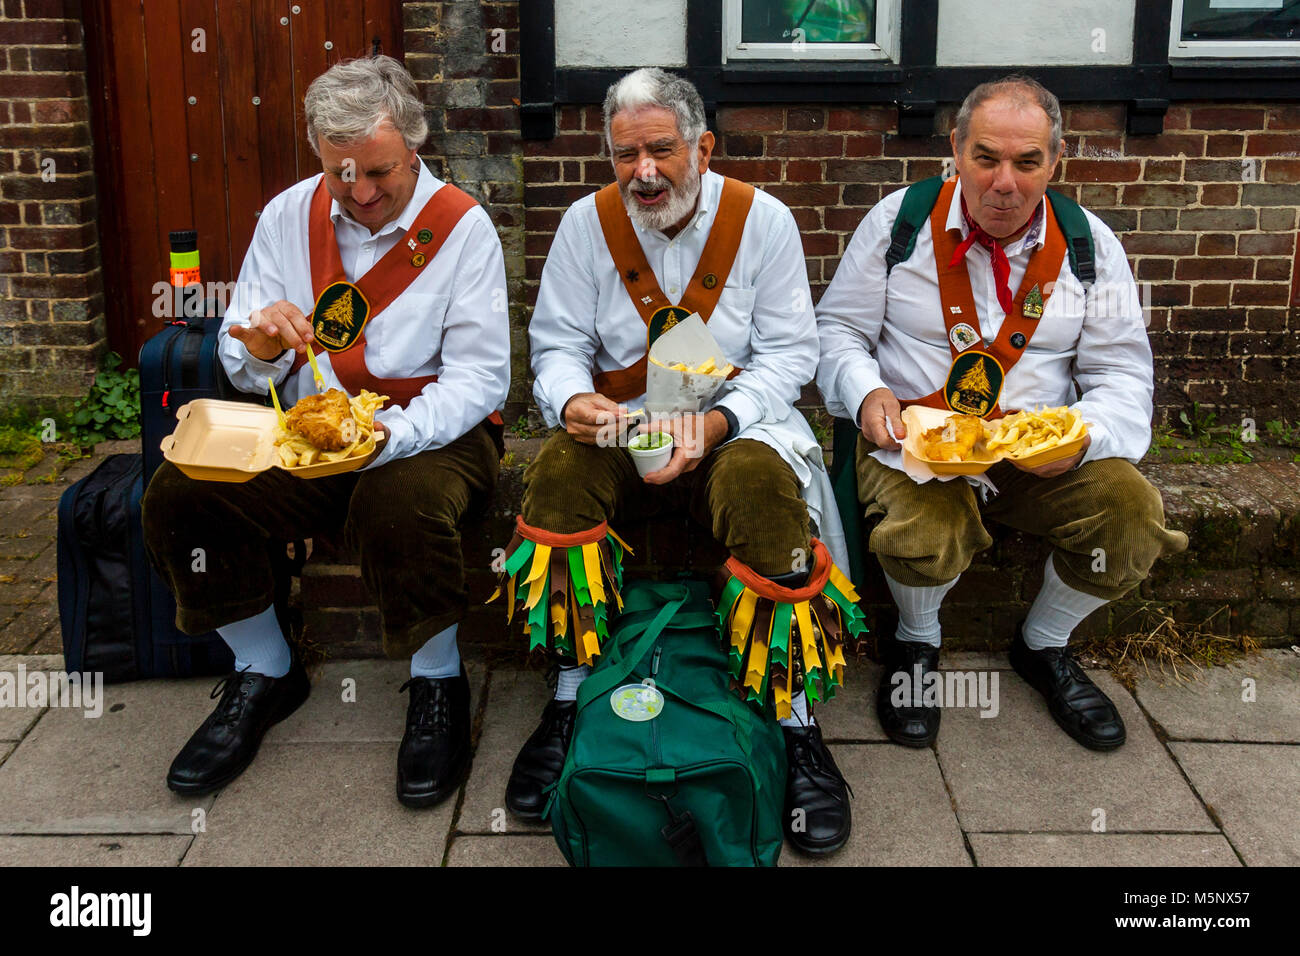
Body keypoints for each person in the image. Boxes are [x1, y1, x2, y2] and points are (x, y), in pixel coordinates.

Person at [489, 67, 865, 856]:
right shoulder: (585, 225)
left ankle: (794, 718)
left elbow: (791, 354)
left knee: (765, 495)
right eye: (626, 155)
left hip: (734, 428)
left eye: (662, 150)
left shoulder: (764, 222)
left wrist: (721, 422)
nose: (645, 172)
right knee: (555, 477)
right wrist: (572, 404)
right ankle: (568, 691)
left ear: (702, 144)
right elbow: (557, 346)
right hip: (624, 429)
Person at [141, 55, 510, 808]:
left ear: (415, 146)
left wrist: (385, 437)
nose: (360, 193)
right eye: (341, 173)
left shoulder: (464, 229)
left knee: (396, 501)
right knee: (181, 491)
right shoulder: (285, 216)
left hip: (434, 431)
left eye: (378, 172)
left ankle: (437, 684)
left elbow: (479, 381)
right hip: (306, 434)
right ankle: (266, 671)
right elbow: (243, 369)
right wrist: (262, 346)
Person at [816, 75, 1187, 752]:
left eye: (1026, 162)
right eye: (986, 157)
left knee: (1132, 517)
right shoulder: (899, 223)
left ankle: (1042, 647)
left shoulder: (1090, 245)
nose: (1004, 183)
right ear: (955, 150)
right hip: (915, 444)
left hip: (1034, 455)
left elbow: (1122, 374)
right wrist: (866, 392)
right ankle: (916, 642)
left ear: (1056, 160)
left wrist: (1082, 439)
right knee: (923, 527)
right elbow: (838, 330)